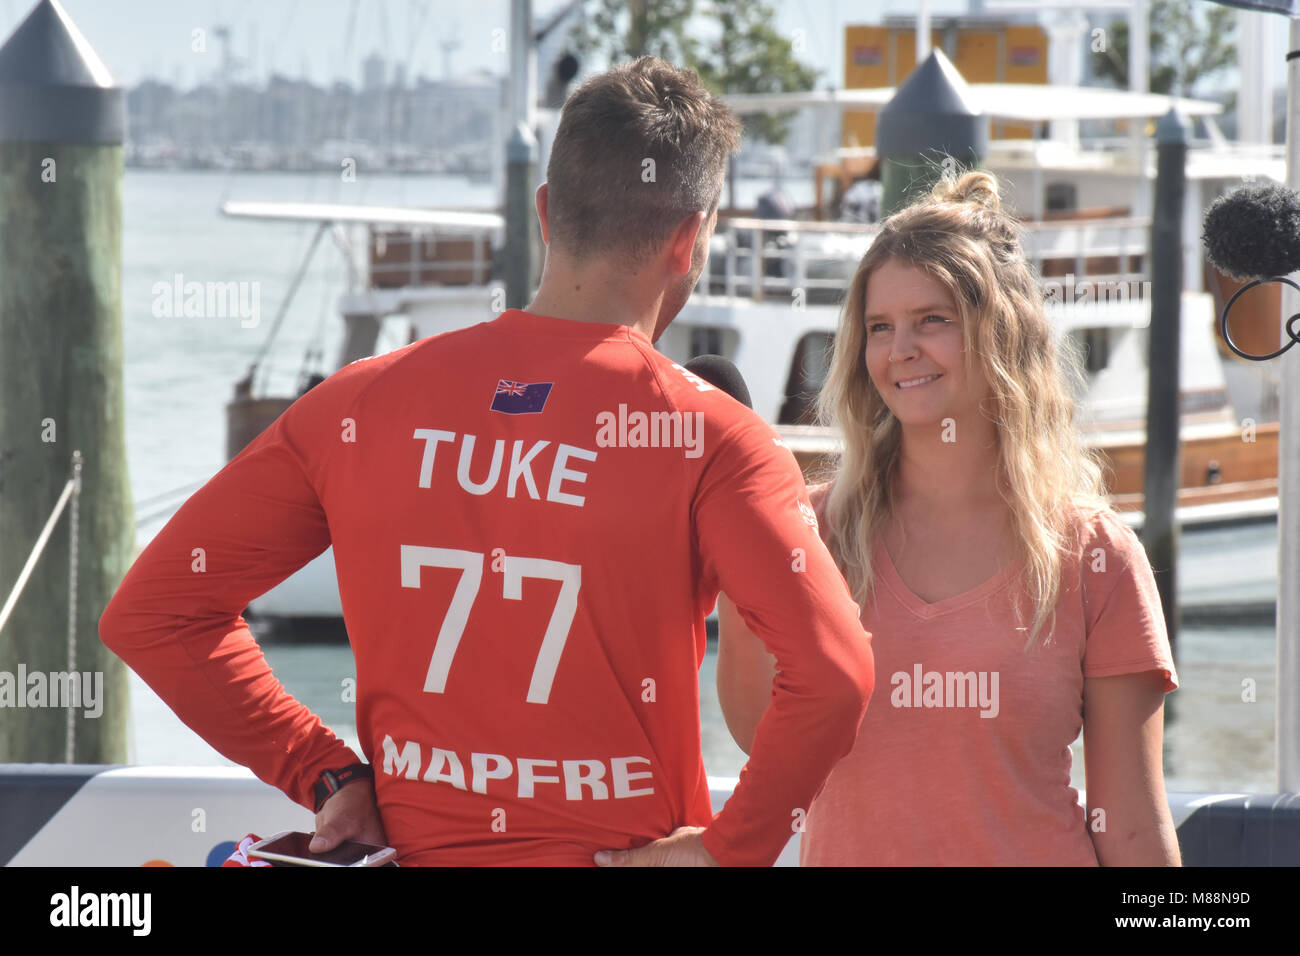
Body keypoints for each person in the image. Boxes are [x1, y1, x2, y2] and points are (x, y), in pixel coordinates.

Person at [99, 57, 875, 868]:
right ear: (689, 241)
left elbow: (154, 617)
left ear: (544, 213)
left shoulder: (359, 404)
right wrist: (728, 849)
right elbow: (831, 675)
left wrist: (326, 775)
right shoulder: (710, 436)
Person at [717, 170, 1181, 866]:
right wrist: (740, 538)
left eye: (932, 320)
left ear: (1003, 332)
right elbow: (763, 738)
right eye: (880, 327)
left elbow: (1135, 829)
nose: (900, 349)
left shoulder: (1095, 556)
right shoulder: (807, 539)